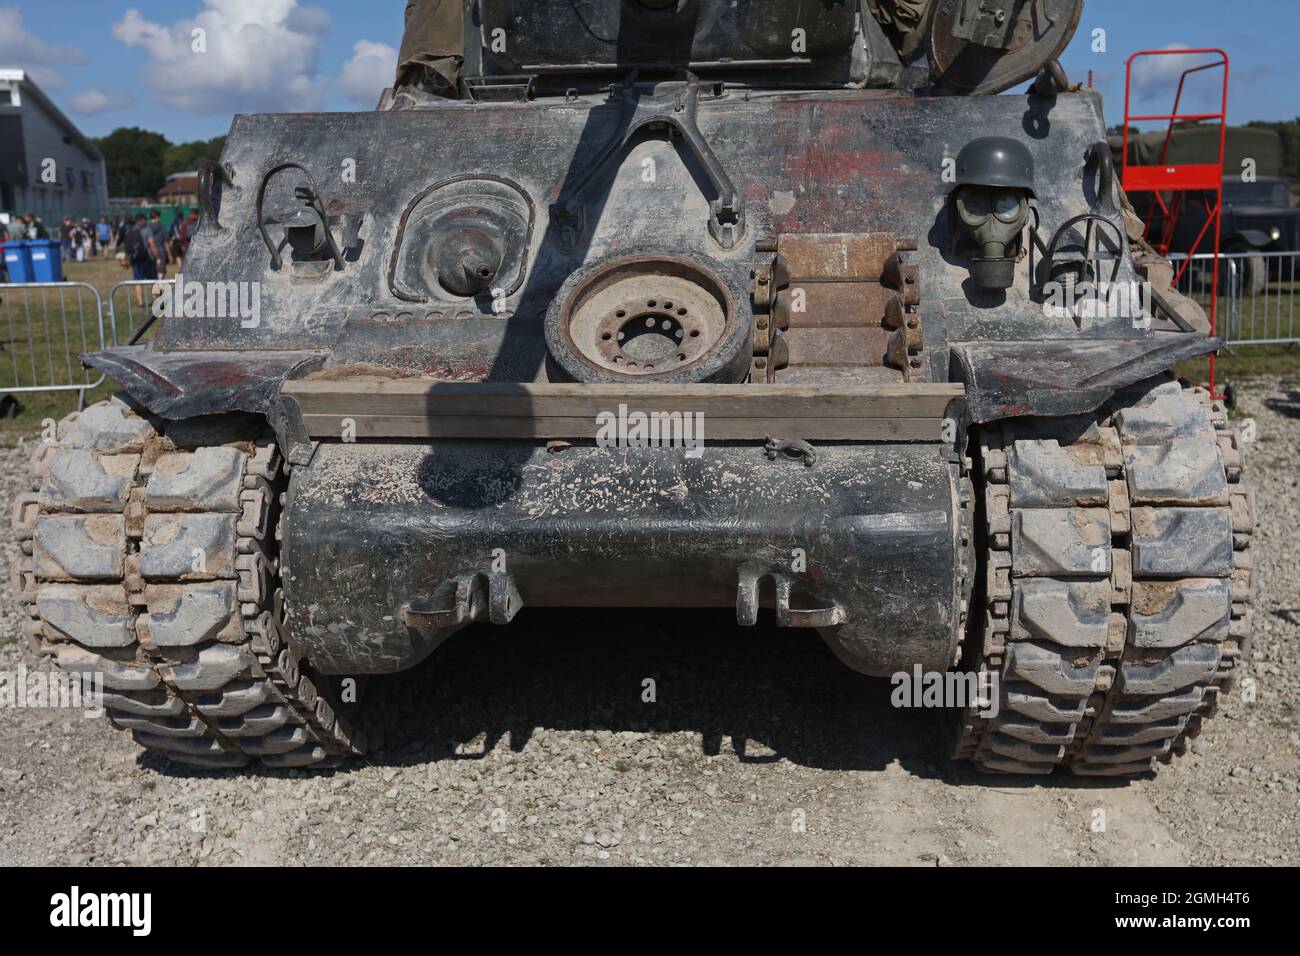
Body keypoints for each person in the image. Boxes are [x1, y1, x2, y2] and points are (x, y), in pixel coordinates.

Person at [124, 213, 160, 306]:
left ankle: (141, 303)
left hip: (135, 260)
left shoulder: (131, 230)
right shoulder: (147, 230)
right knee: (153, 280)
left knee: (138, 281)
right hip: (147, 259)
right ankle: (157, 300)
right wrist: (157, 257)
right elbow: (152, 244)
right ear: (143, 219)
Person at [148, 210, 169, 279]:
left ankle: (156, 286)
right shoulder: (162, 227)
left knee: (153, 271)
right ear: (157, 217)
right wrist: (169, 253)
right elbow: (166, 242)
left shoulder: (146, 227)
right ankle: (160, 285)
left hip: (149, 251)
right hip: (160, 250)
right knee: (160, 270)